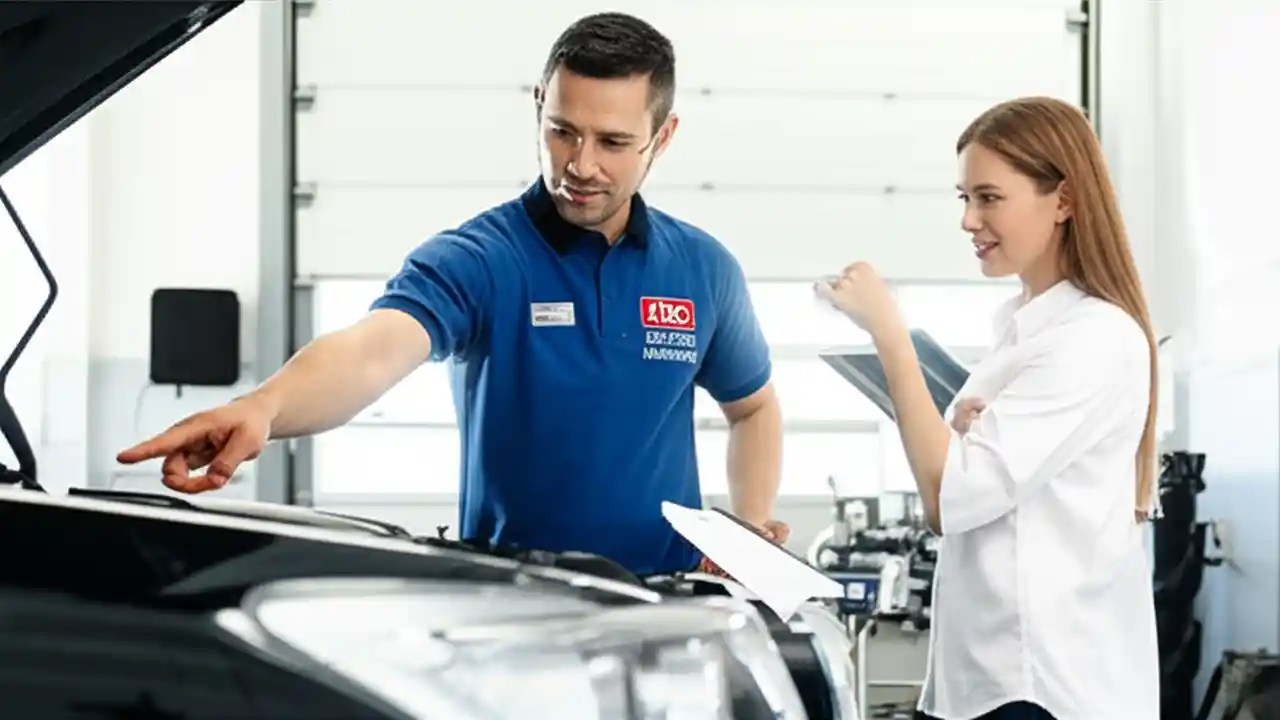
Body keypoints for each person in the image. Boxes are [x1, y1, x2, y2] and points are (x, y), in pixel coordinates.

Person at [117, 12, 786, 577]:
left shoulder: (703, 270)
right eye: (562, 130)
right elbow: (372, 351)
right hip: (511, 603)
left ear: (661, 139)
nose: (581, 164)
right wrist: (263, 407)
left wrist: (748, 526)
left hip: (666, 615)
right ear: (538, 108)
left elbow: (753, 408)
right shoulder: (483, 258)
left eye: (613, 142)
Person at [817, 96, 1160, 720]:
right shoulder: (1018, 331)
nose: (969, 220)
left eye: (989, 197)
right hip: (986, 680)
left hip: (1041, 684)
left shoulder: (1094, 337)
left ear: (1063, 200)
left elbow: (950, 498)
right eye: (963, 198)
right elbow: (963, 479)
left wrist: (890, 334)